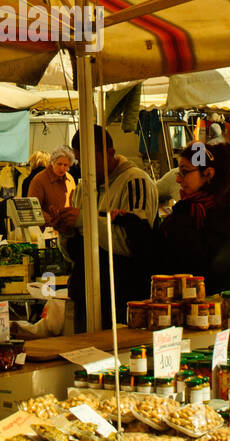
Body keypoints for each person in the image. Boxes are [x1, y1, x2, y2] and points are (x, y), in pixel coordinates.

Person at [55, 126, 157, 331]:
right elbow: (76, 254)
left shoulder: (135, 181)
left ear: (110, 154)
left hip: (122, 300)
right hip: (86, 297)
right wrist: (66, 231)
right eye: (80, 160)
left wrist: (84, 220)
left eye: (90, 160)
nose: (84, 167)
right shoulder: (83, 187)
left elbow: (134, 246)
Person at [150, 142, 230, 296]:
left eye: (185, 172)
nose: (178, 180)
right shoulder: (183, 211)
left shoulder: (228, 220)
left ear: (208, 174)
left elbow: (210, 270)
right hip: (176, 308)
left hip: (213, 311)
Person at [27, 146, 76, 227]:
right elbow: (33, 208)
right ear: (52, 162)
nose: (62, 168)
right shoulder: (39, 180)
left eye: (65, 165)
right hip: (46, 230)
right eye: (59, 164)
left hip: (67, 230)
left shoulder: (70, 179)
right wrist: (51, 220)